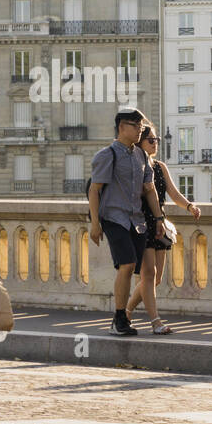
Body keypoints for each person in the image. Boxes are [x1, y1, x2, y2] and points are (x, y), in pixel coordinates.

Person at [89, 109, 166, 336]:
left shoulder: (141, 156)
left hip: (137, 221)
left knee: (136, 269)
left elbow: (149, 190)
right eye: (136, 125)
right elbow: (95, 190)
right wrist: (95, 224)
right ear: (122, 127)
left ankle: (123, 317)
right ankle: (119, 318)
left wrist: (159, 217)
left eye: (142, 126)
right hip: (114, 218)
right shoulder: (106, 155)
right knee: (128, 264)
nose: (141, 129)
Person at [125, 121, 201, 333]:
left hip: (159, 223)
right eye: (151, 140)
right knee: (148, 274)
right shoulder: (134, 167)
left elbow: (174, 194)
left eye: (156, 140)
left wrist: (189, 206)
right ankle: (156, 322)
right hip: (142, 224)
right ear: (139, 142)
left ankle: (127, 312)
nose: (155, 143)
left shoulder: (160, 167)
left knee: (156, 278)